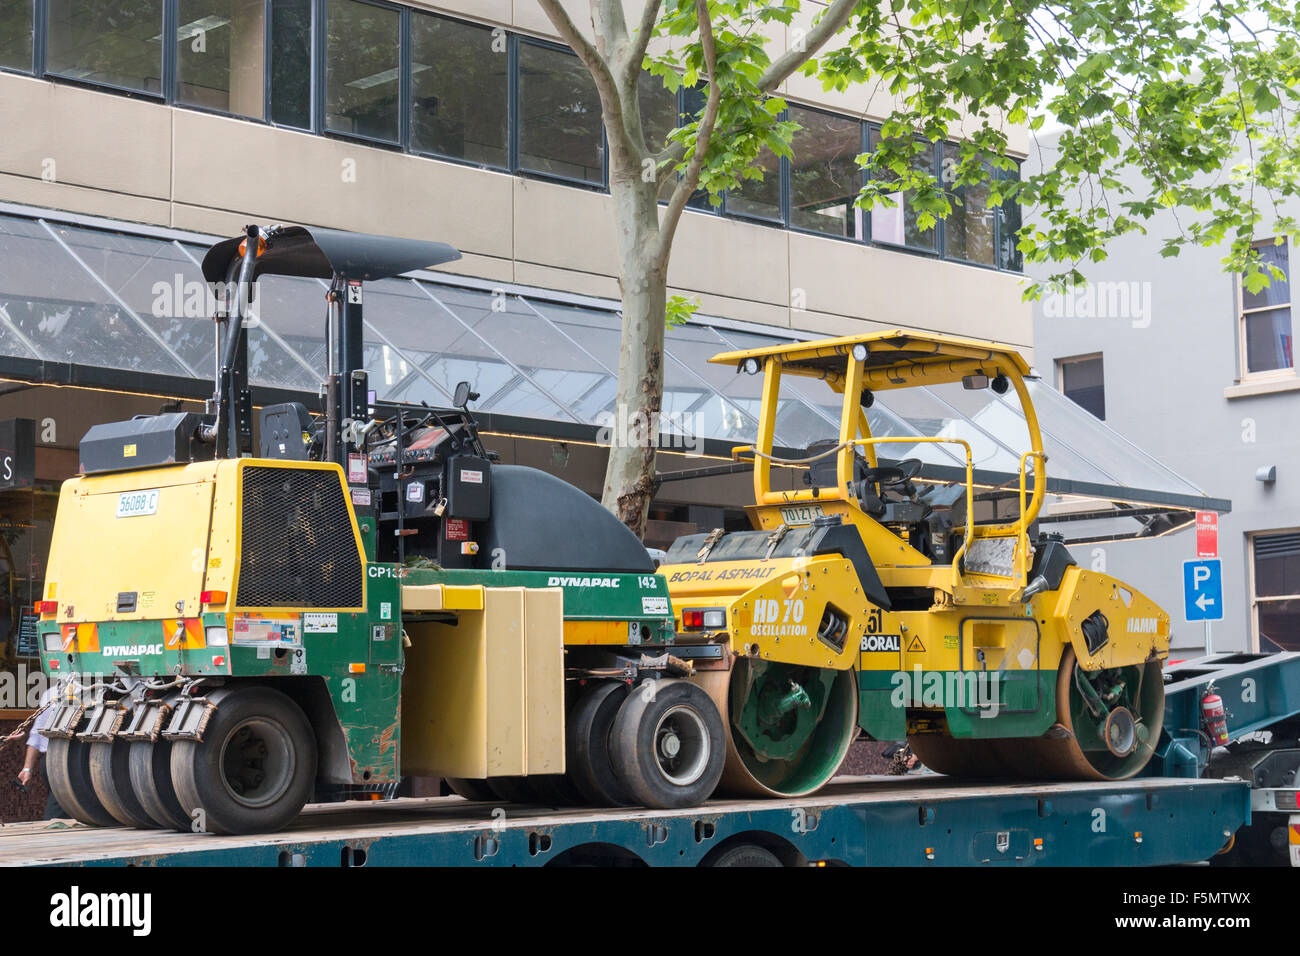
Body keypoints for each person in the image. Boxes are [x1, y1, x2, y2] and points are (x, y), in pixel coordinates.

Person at [15, 687, 66, 820]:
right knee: (58, 812)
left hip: (50, 761)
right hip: (64, 763)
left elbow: (36, 735)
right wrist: (27, 769)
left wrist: (27, 769)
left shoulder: (50, 693)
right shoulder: (87, 692)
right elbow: (37, 734)